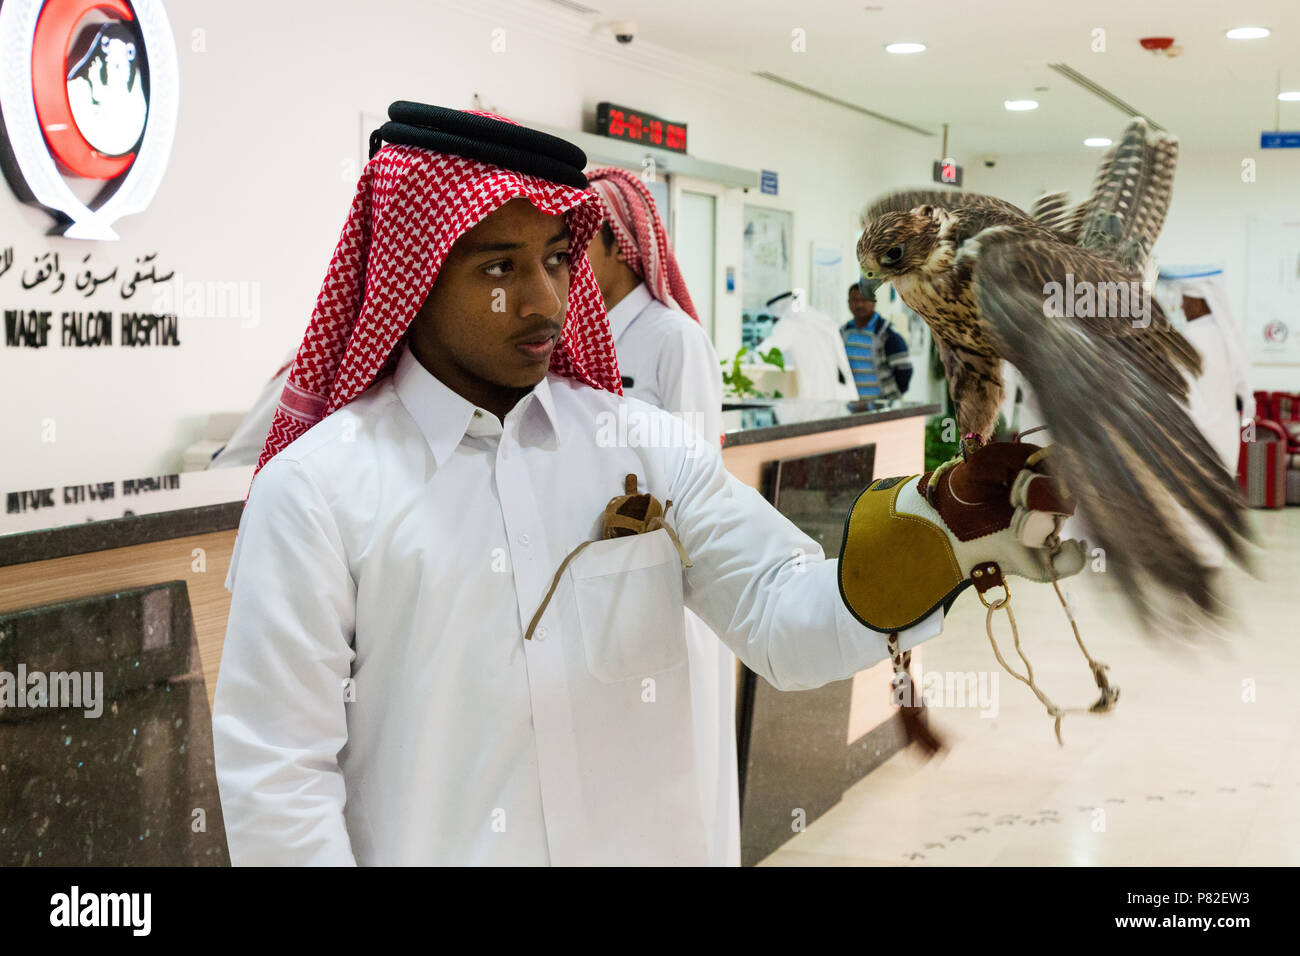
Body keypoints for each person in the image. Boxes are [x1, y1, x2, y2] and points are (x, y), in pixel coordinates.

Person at [211, 102, 1066, 867]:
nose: (546, 301)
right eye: (500, 268)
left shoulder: (645, 447)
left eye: (556, 258)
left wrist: (940, 528)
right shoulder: (317, 494)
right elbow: (280, 781)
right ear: (412, 273)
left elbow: (785, 620)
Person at [584, 166, 737, 866]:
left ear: (619, 246)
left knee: (681, 765)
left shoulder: (671, 337)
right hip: (594, 586)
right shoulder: (571, 333)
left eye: (578, 242)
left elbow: (697, 469)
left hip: (669, 584)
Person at [757, 291, 860, 401]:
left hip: (812, 393)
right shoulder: (822, 320)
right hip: (836, 391)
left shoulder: (789, 324)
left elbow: (761, 355)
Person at [841, 281, 912, 400]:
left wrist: (891, 397)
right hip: (851, 406)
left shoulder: (888, 335)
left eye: (864, 300)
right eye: (854, 300)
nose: (859, 305)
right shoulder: (843, 333)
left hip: (881, 408)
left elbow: (904, 371)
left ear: (874, 302)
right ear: (848, 303)